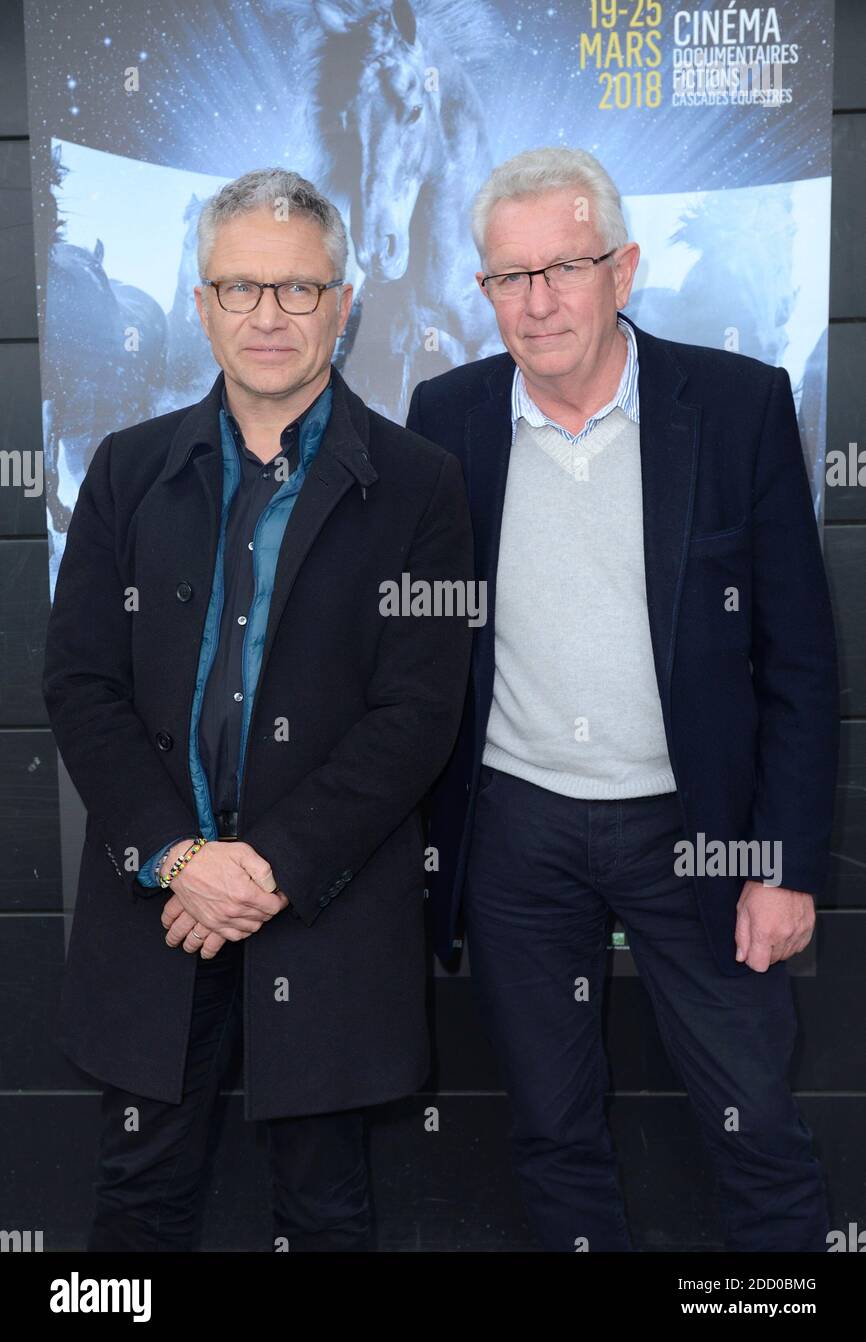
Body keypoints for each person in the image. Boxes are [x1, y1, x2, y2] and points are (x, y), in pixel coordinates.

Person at [407, 145, 839, 1252]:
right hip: (517, 831)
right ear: (484, 290)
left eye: (566, 265)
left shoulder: (736, 406)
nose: (538, 300)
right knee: (551, 1133)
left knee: (756, 1128)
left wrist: (779, 863)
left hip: (693, 831)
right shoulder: (444, 415)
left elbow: (795, 659)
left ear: (624, 268)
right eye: (509, 275)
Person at [43, 167, 473, 1252]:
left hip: (327, 913)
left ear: (342, 301)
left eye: (295, 289)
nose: (267, 316)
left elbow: (414, 716)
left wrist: (265, 865)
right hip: (156, 912)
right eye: (239, 288)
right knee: (134, 1207)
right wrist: (183, 860)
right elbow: (80, 686)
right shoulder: (127, 472)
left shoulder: (420, 483)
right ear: (200, 304)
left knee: (326, 1212)